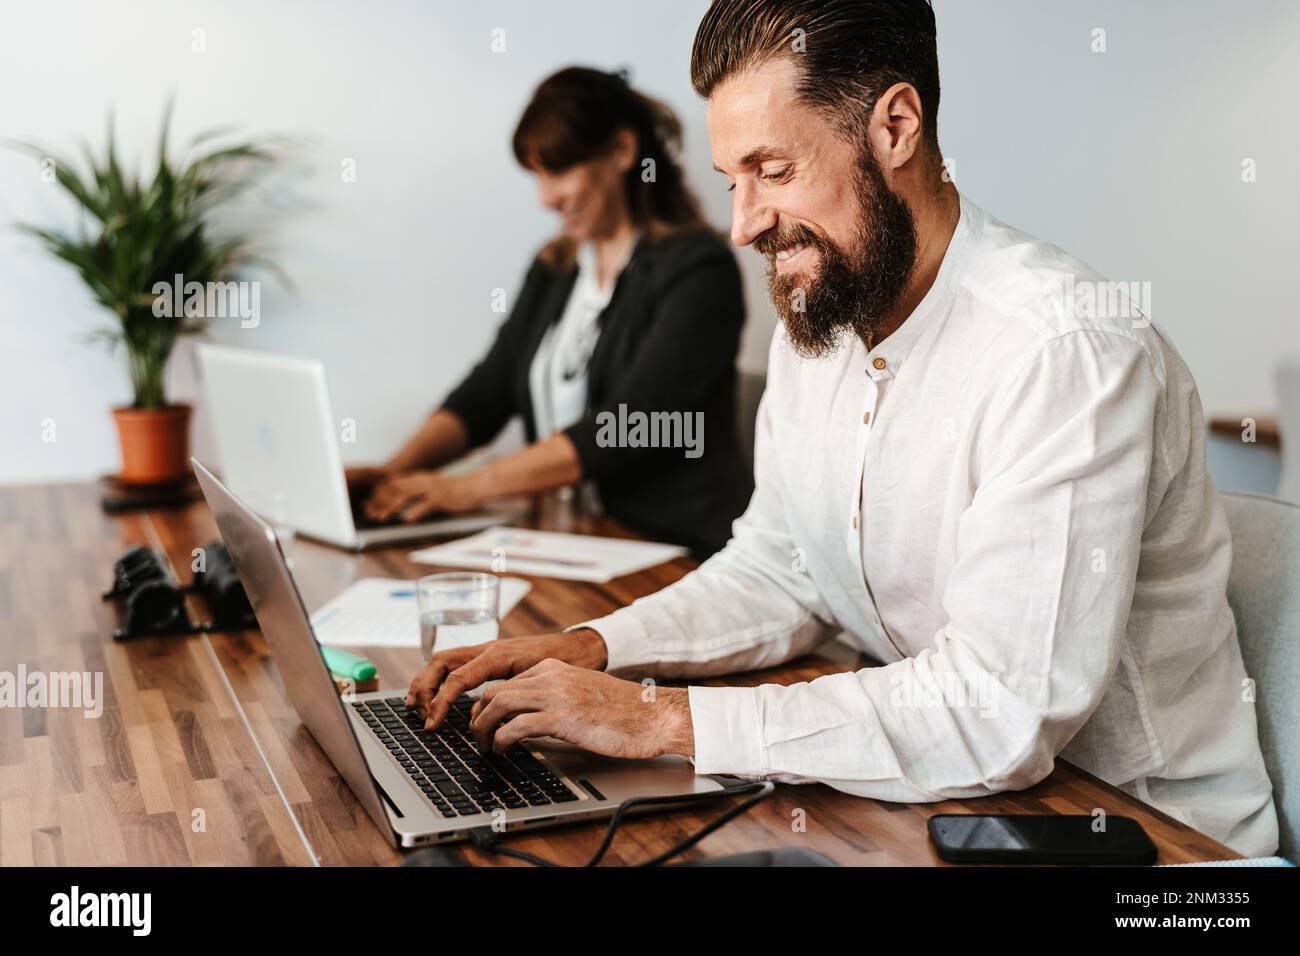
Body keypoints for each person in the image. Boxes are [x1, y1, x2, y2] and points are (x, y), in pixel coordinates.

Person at [404, 0, 1280, 856]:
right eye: (731, 181)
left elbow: (995, 713)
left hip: (1150, 842)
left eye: (773, 171)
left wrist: (657, 717)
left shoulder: (1064, 350)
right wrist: (595, 648)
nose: (743, 222)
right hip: (936, 802)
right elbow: (780, 571)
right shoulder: (822, 324)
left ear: (896, 126)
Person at [349, 67, 753, 557]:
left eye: (558, 171)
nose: (546, 198)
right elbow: (486, 393)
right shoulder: (555, 267)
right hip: (573, 540)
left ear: (624, 152)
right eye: (538, 176)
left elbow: (629, 425)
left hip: (675, 549)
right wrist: (396, 473)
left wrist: (465, 487)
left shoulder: (700, 269)